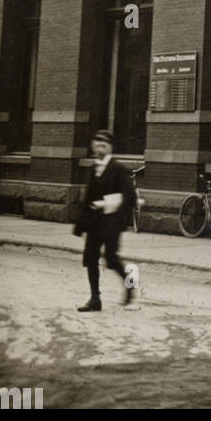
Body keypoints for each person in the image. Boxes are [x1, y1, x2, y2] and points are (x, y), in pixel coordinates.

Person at [74, 130, 136, 312]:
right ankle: (95, 298)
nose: (99, 149)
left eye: (103, 145)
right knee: (90, 258)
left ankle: (130, 285)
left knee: (111, 259)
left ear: (110, 148)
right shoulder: (94, 168)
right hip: (94, 223)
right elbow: (88, 198)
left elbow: (129, 197)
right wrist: (80, 225)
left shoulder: (118, 169)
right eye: (96, 145)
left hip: (111, 223)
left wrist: (106, 203)